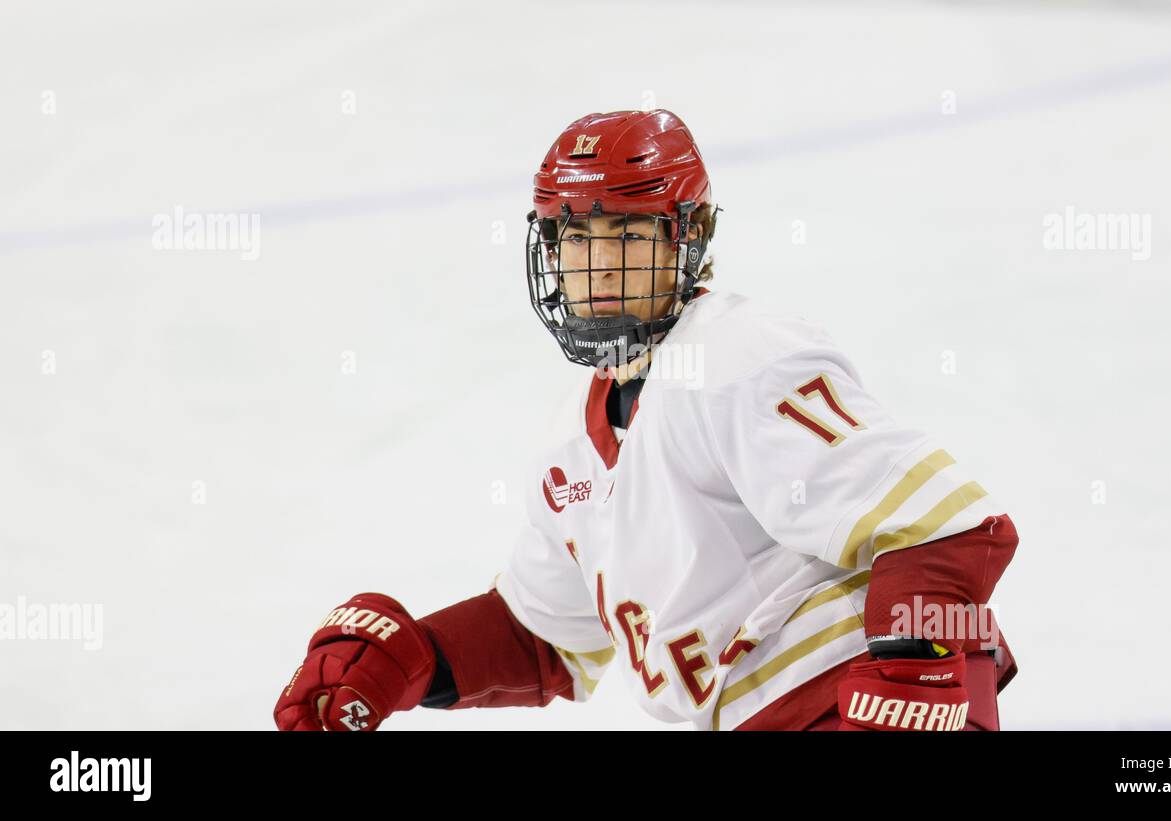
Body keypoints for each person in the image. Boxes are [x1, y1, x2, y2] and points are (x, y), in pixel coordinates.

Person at [274, 109, 1019, 732]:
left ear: (686, 239)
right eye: (576, 238)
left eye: (627, 237)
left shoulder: (736, 356)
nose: (598, 266)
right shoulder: (570, 447)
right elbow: (545, 639)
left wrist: (912, 666)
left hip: (846, 695)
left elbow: (951, 527)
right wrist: (411, 658)